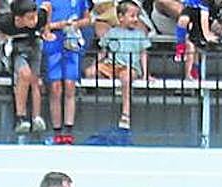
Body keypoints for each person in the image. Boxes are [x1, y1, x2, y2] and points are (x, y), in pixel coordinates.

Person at [93, 0, 148, 130]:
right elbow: (103, 52)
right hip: (112, 65)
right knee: (91, 73)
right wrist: (95, 64)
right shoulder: (112, 32)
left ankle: (125, 113)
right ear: (121, 17)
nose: (135, 19)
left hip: (130, 67)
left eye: (137, 16)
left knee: (126, 77)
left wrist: (145, 74)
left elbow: (143, 54)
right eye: (132, 16)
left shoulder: (140, 34)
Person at [41, 0, 89, 144]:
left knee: (70, 85)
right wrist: (57, 25)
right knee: (55, 88)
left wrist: (75, 25)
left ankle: (68, 130)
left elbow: (87, 19)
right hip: (52, 42)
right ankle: (56, 131)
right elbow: (38, 22)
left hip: (72, 42)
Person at [0, 0, 44, 135]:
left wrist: (47, 29)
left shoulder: (39, 18)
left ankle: (36, 117)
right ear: (18, 18)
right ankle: (20, 117)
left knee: (35, 79)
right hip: (15, 46)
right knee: (24, 74)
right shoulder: (5, 22)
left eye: (35, 16)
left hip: (33, 44)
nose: (34, 20)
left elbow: (47, 8)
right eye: (29, 18)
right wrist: (3, 40)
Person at [173, 0, 222, 79]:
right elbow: (204, 17)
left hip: (204, 17)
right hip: (194, 11)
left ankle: (195, 71)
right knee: (185, 24)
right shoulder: (206, 2)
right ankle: (180, 48)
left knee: (196, 43)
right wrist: (207, 34)